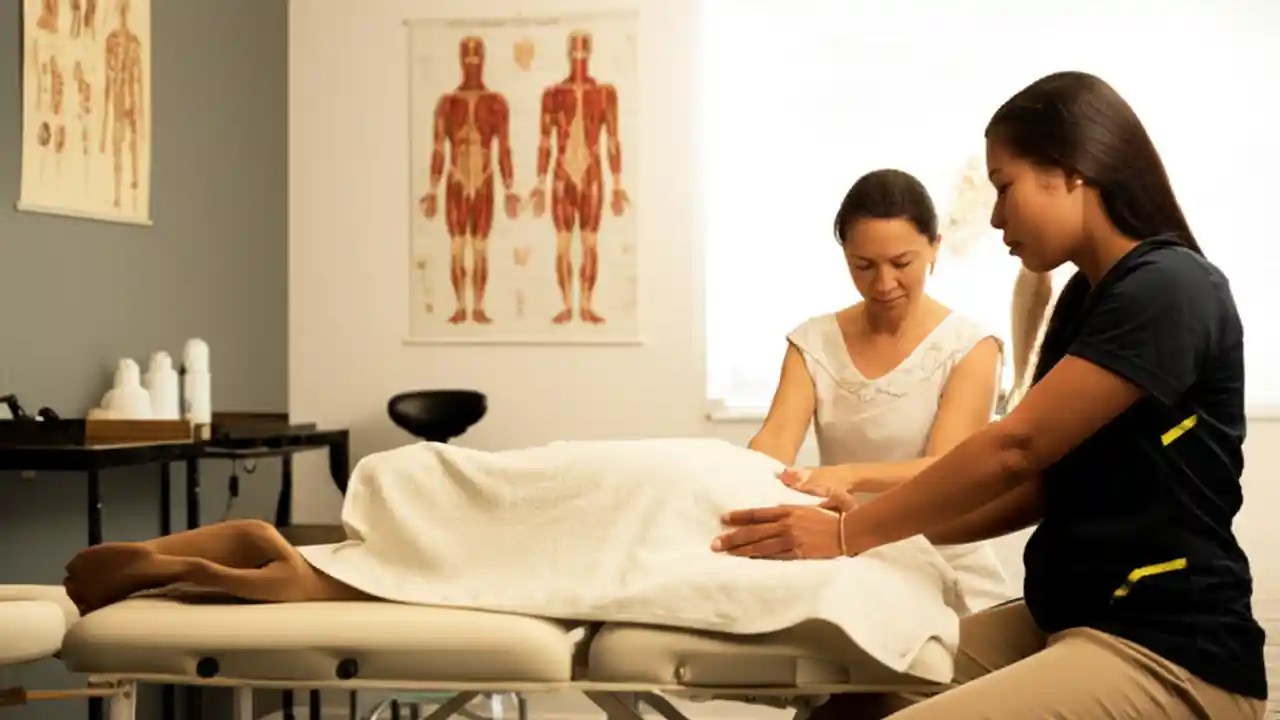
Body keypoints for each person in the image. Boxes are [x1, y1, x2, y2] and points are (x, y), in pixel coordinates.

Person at [713, 70, 1268, 719]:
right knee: (847, 707)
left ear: (1070, 170)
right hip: (1066, 613)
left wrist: (846, 532)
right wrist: (870, 526)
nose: (998, 216)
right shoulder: (1087, 300)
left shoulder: (1170, 287)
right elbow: (1037, 489)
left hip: (1167, 647)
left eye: (1005, 186)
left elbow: (1016, 448)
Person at [748, 168, 1015, 614]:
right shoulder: (813, 342)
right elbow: (773, 443)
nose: (884, 283)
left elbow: (947, 470)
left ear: (934, 247)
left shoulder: (970, 347)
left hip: (938, 549)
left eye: (901, 264)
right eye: (864, 266)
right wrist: (742, 478)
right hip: (843, 546)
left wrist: (850, 474)